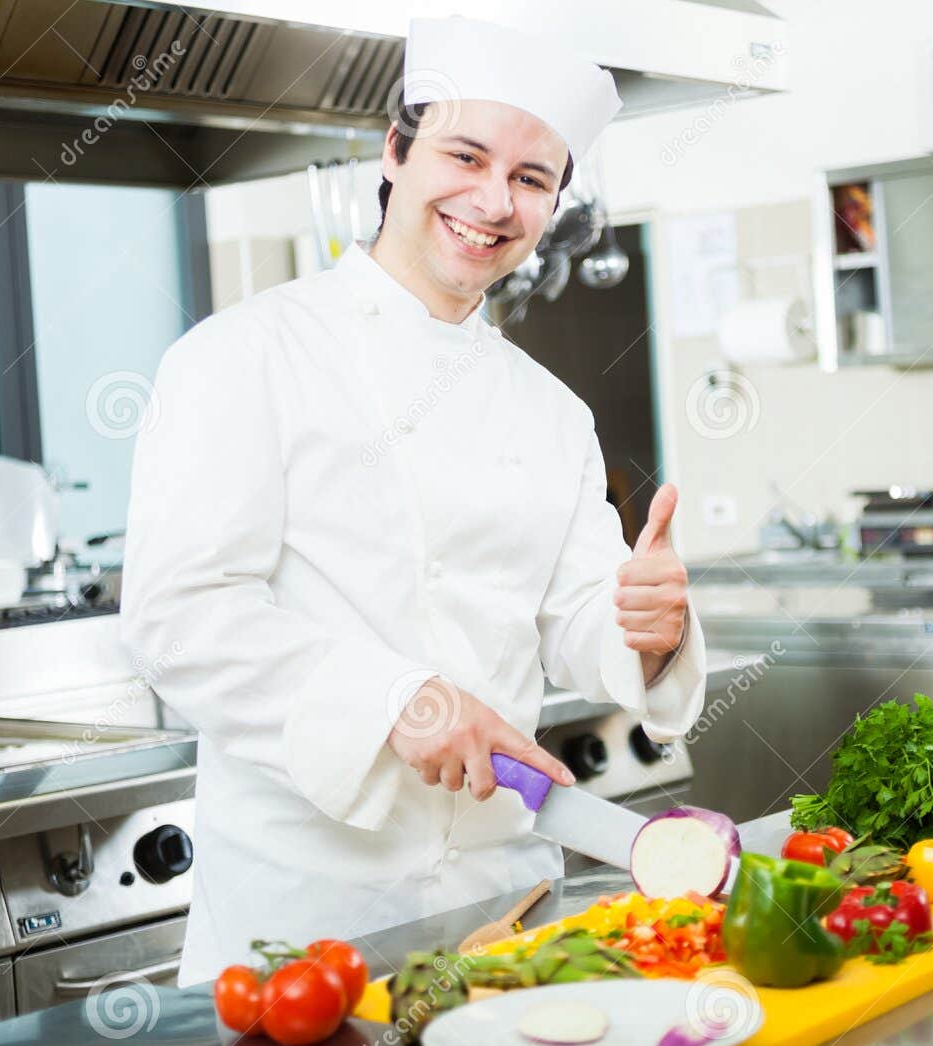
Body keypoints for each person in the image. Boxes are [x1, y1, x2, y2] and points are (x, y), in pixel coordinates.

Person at [122, 16, 706, 985]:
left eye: (531, 178)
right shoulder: (242, 356)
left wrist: (644, 625)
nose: (492, 200)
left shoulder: (550, 410)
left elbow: (576, 614)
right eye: (465, 155)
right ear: (395, 151)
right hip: (302, 926)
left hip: (504, 904)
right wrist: (401, 702)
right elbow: (177, 619)